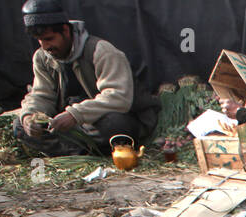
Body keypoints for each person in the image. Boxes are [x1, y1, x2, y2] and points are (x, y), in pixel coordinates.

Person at [13, 0, 158, 157]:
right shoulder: (43, 57)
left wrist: (75, 115)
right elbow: (42, 94)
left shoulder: (101, 51)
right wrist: (30, 116)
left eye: (49, 38)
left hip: (104, 120)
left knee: (115, 124)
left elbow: (118, 98)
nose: (45, 46)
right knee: (20, 125)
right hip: (74, 126)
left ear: (65, 31)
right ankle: (80, 153)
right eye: (40, 40)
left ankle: (86, 149)